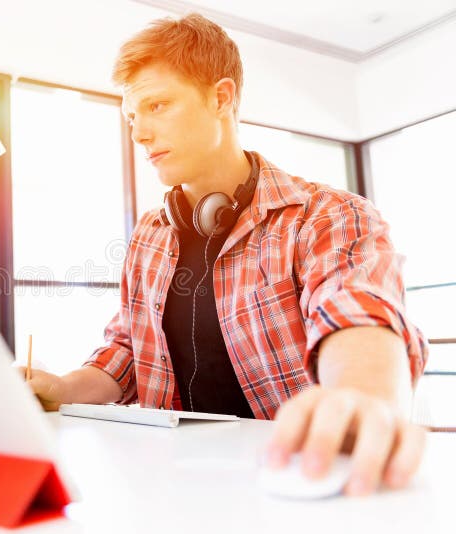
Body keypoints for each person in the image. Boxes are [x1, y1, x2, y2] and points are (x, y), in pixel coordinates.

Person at [25, 13, 428, 497]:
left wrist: (361, 397)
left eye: (157, 105)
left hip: (288, 482)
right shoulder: (149, 236)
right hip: (169, 483)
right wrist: (62, 389)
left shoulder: (326, 216)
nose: (139, 134)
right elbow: (127, 351)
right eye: (132, 117)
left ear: (221, 97)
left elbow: (357, 312)